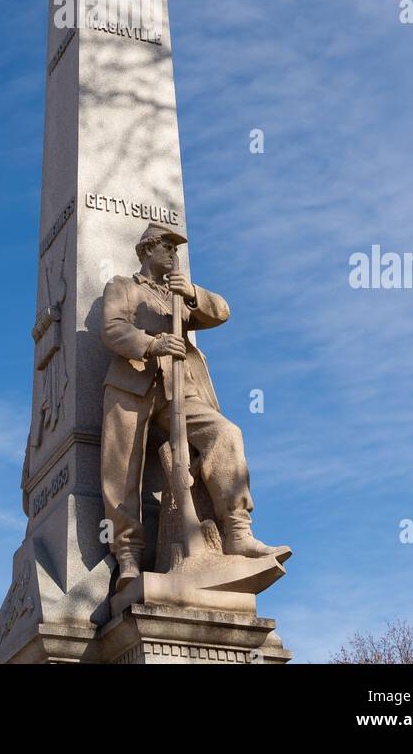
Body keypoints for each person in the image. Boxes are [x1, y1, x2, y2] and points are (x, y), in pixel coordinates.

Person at [100, 220, 290, 589]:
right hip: (132, 385)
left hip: (179, 390)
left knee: (226, 432)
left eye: (176, 248)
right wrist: (151, 344)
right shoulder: (122, 286)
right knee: (121, 472)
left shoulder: (178, 294)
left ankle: (236, 529)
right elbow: (111, 329)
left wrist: (192, 293)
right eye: (166, 247)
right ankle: (127, 556)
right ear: (147, 250)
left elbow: (221, 312)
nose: (173, 254)